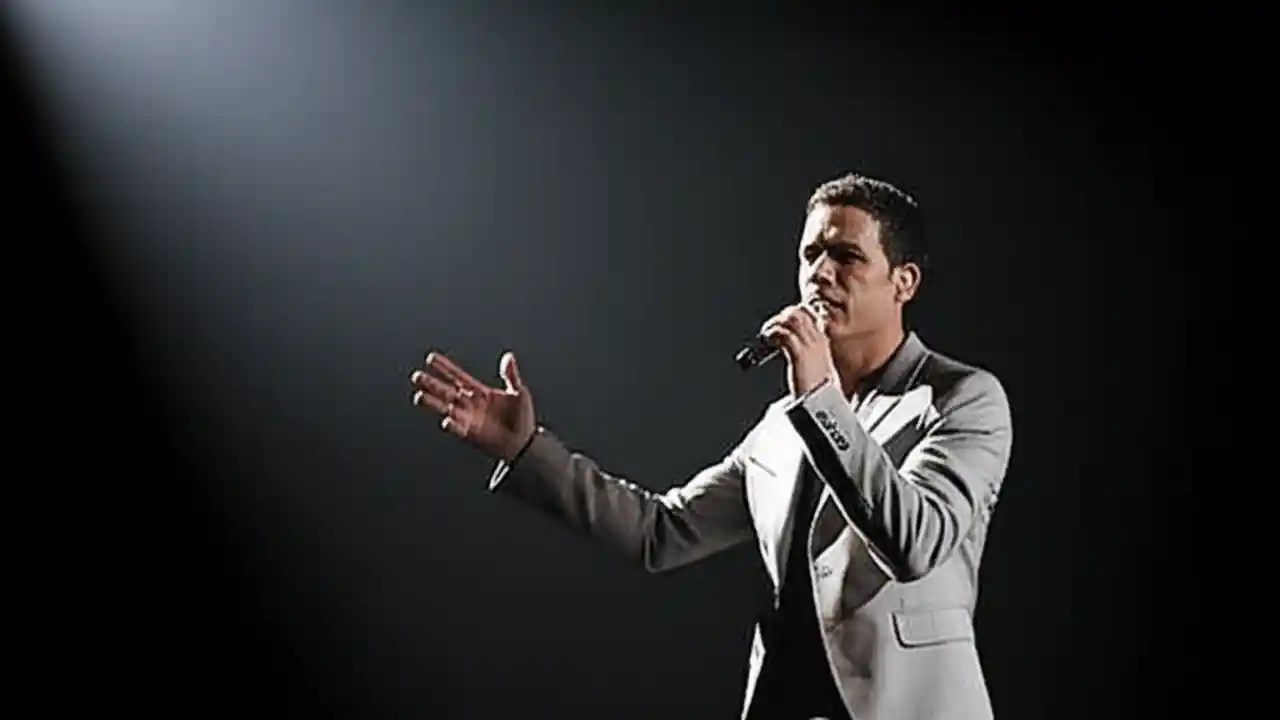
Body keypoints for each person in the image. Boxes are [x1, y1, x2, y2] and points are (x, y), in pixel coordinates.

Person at [409, 172, 1013, 720]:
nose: (819, 274)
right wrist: (524, 450)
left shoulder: (961, 399)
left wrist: (819, 399)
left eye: (847, 256)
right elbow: (662, 533)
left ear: (903, 281)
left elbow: (915, 543)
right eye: (811, 255)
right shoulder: (786, 424)